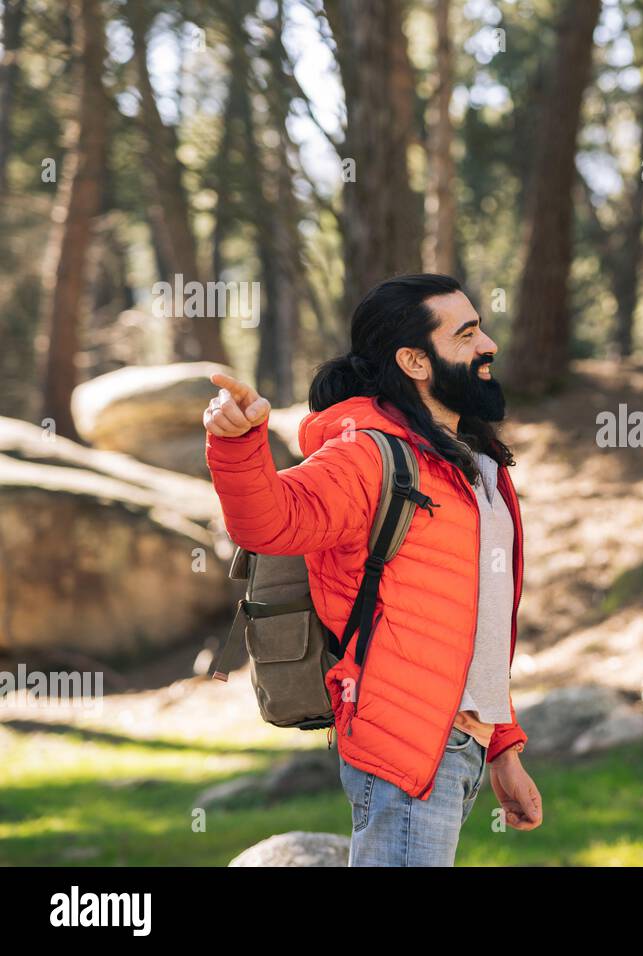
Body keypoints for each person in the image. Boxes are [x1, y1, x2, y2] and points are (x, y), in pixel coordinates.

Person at [203, 273, 542, 866]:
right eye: (466, 334)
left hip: (462, 744)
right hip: (404, 747)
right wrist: (240, 444)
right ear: (414, 359)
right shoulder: (367, 454)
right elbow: (273, 523)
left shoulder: (479, 465)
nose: (487, 344)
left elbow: (475, 624)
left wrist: (503, 749)